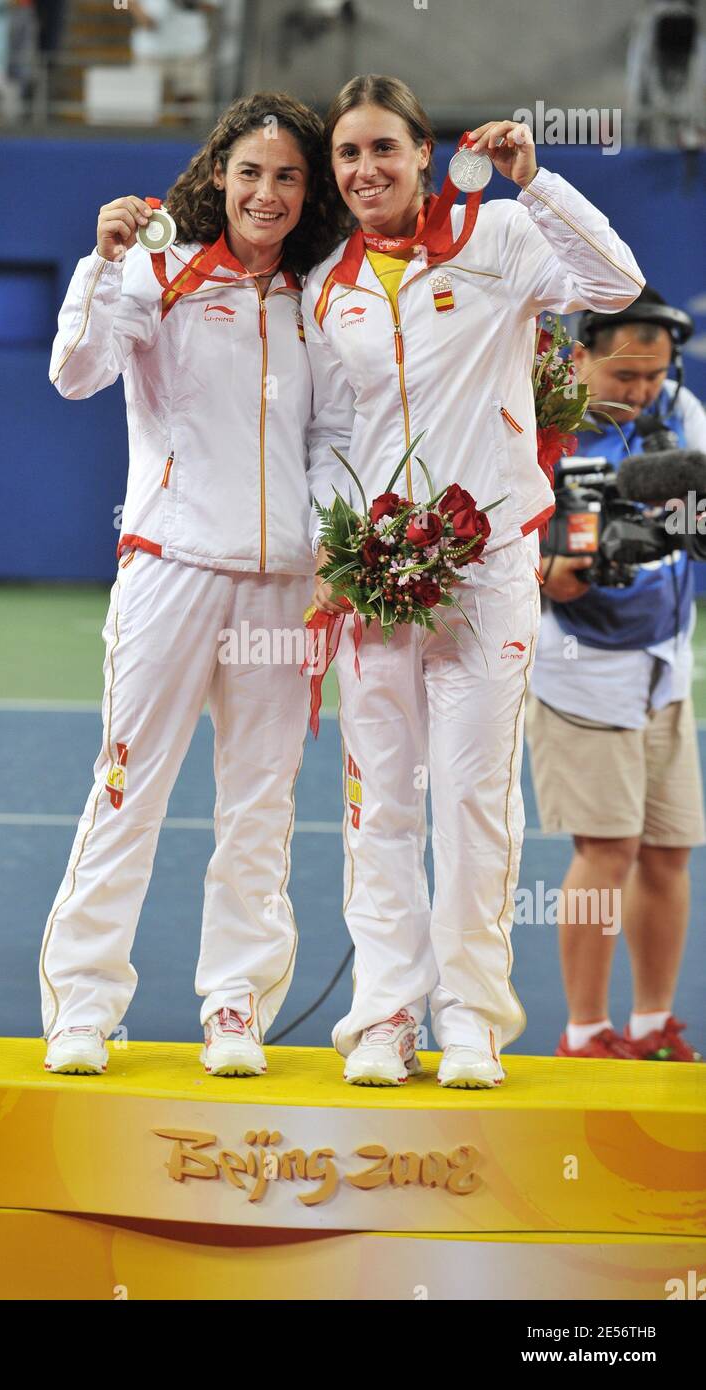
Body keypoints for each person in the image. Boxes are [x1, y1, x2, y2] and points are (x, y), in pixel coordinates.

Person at [304, 74, 644, 1088]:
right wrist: (338, 542)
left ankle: (471, 1020)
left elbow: (616, 283)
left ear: (422, 153)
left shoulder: (499, 239)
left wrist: (536, 184)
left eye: (384, 151)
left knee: (472, 797)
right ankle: (383, 1015)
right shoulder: (333, 287)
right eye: (348, 156)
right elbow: (331, 434)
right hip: (377, 580)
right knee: (380, 804)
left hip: (486, 567)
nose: (367, 171)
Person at [39, 93, 346, 1077]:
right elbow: (76, 375)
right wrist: (105, 261)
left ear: (311, 192)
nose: (266, 191)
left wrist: (336, 551)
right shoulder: (162, 268)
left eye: (288, 176)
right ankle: (84, 1005)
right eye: (250, 171)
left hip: (283, 590)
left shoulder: (321, 293)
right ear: (220, 174)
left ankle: (235, 1006)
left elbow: (335, 439)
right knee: (127, 787)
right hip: (169, 570)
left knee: (260, 801)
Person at [526, 286, 705, 1063]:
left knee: (667, 851)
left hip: (665, 667)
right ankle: (586, 1031)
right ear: (581, 356)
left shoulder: (676, 412)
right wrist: (575, 564)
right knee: (608, 850)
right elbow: (540, 571)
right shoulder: (549, 433)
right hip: (582, 673)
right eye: (623, 377)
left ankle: (648, 1024)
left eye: (651, 376)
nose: (638, 394)